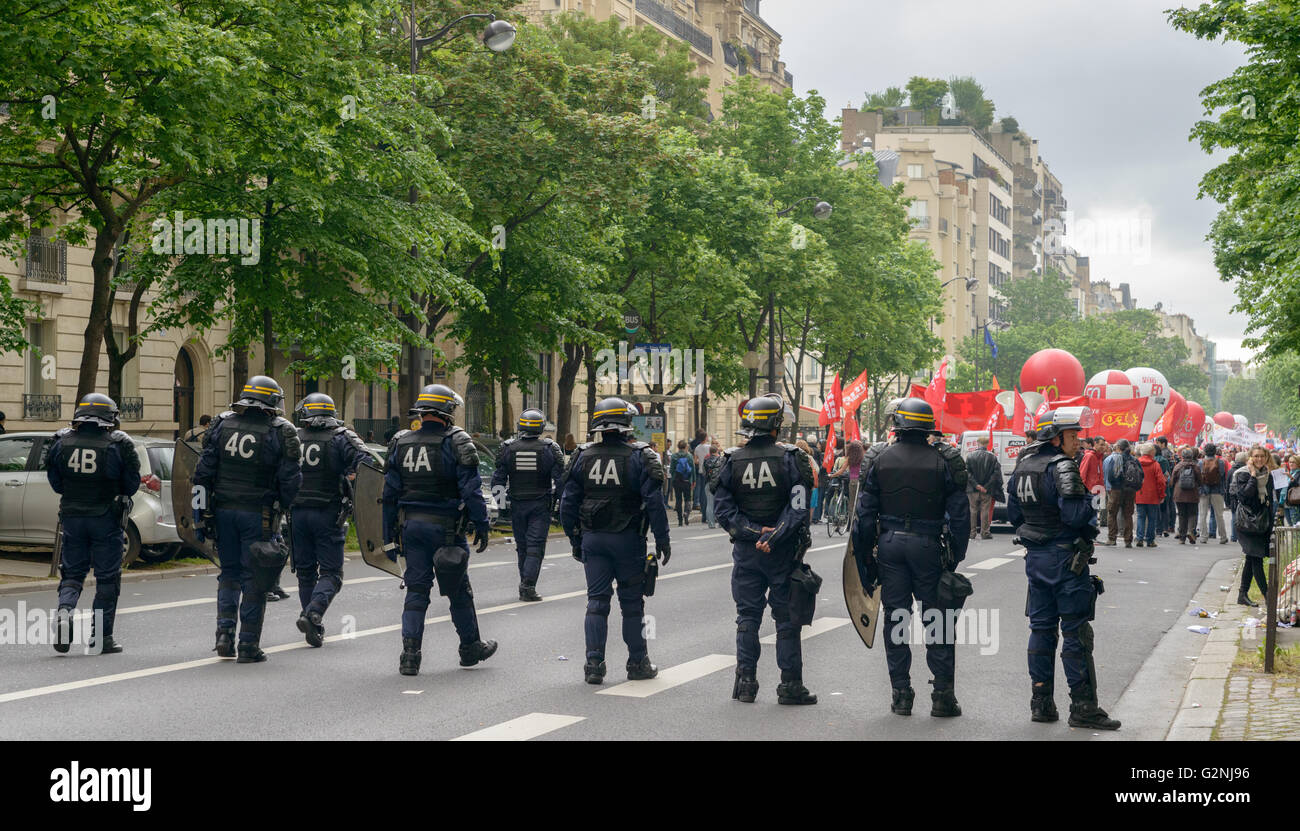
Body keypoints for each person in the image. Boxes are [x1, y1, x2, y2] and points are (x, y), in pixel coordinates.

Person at [852, 398, 970, 718]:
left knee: (896, 620)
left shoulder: (878, 458)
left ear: (898, 425)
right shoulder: (945, 460)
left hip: (890, 546)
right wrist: (955, 557)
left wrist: (865, 558)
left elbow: (863, 516)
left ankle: (901, 694)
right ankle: (943, 696)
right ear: (927, 427)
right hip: (929, 546)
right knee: (938, 620)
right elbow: (960, 517)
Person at [1007, 408, 1119, 730]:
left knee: (1041, 630)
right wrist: (1088, 513)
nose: (1078, 441)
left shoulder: (1023, 465)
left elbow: (1015, 515)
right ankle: (1083, 707)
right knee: (1075, 632)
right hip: (1065, 558)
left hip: (1036, 558)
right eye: (1073, 435)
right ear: (1057, 437)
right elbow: (1075, 517)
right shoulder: (1063, 466)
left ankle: (1041, 703)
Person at [382, 384, 496, 676]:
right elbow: (471, 491)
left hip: (411, 528)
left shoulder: (400, 443)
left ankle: (410, 656)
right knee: (459, 591)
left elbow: (388, 495)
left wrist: (387, 536)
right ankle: (470, 648)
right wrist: (482, 525)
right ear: (447, 412)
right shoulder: (458, 442)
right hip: (446, 531)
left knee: (416, 591)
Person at [713, 393, 817, 705]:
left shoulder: (729, 461)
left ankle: (746, 682)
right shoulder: (791, 458)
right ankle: (790, 685)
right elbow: (799, 509)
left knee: (747, 617)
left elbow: (724, 513)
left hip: (747, 552)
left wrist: (755, 533)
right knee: (786, 619)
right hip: (782, 552)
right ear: (776, 425)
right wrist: (774, 536)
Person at [560, 397, 670, 684]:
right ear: (626, 424)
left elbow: (567, 503)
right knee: (632, 604)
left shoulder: (582, 456)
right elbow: (655, 503)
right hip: (628, 539)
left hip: (593, 539)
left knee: (596, 602)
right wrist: (662, 539)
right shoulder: (641, 456)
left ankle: (593, 665)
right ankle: (638, 663)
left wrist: (574, 536)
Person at [192, 376, 302, 663]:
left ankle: (224, 636)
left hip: (223, 512)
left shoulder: (221, 425)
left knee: (228, 574)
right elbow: (290, 481)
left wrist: (200, 516)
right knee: (255, 580)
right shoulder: (282, 431)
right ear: (273, 402)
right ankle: (248, 647)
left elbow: (201, 476)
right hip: (259, 515)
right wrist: (281, 508)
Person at [46, 394, 141, 654]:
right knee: (107, 579)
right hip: (105, 518)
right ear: (109, 418)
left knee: (72, 574)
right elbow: (131, 485)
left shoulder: (61, 442)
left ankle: (65, 611)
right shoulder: (118, 445)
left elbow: (55, 482)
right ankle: (101, 638)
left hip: (72, 516)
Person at [290, 393, 367, 647]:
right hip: (327, 513)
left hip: (297, 514)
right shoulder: (340, 437)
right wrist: (350, 477)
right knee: (332, 573)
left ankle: (311, 623)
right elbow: (366, 461)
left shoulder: (293, 437)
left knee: (305, 572)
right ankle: (313, 613)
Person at [492, 408, 565, 602]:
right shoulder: (549, 449)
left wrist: (502, 507)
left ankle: (525, 583)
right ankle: (528, 586)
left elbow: (497, 481)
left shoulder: (508, 447)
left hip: (517, 504)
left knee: (523, 546)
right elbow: (561, 482)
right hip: (540, 505)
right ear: (541, 427)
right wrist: (559, 507)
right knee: (535, 546)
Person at [1230, 445, 1275, 607]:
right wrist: (1253, 475)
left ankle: (1242, 594)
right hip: (1247, 522)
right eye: (1256, 456)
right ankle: (1268, 596)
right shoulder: (1242, 473)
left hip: (1262, 523)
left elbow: (1270, 502)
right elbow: (1245, 496)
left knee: (1251, 558)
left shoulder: (1269, 475)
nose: (1259, 459)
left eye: (1262, 456)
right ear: (1250, 457)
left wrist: (1271, 528)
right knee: (1256, 559)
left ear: (1266, 457)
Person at [1103, 439, 1142, 547]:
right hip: (1130, 490)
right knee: (1128, 515)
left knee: (1112, 513)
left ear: (1119, 447)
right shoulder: (1134, 459)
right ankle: (1128, 540)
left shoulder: (1114, 458)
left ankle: (1112, 538)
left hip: (1116, 490)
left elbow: (1111, 476)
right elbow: (1141, 475)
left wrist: (1114, 485)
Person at [965, 435, 1002, 541]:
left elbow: (968, 472)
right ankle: (985, 532)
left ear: (978, 443)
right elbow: (995, 474)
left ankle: (972, 533)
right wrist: (985, 486)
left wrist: (976, 485)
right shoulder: (992, 457)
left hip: (973, 489)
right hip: (987, 490)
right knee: (985, 510)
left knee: (973, 510)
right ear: (987, 443)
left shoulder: (970, 456)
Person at [1197, 443, 1230, 545]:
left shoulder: (1201, 463)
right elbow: (1222, 475)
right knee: (1219, 515)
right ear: (1215, 451)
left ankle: (1203, 537)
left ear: (1204, 451)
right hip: (1217, 490)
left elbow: (1199, 478)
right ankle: (1223, 537)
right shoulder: (1220, 462)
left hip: (1203, 491)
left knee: (1202, 514)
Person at [1134, 443, 1166, 547]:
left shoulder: (1136, 463)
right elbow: (1161, 481)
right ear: (1152, 452)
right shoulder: (1155, 464)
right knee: (1152, 518)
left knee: (1140, 517)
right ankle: (1150, 540)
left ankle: (1139, 538)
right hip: (1153, 495)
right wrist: (1162, 495)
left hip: (1139, 494)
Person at [1170, 448, 1201, 544]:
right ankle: (1191, 531)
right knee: (1193, 514)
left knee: (1182, 515)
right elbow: (1200, 481)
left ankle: (1182, 538)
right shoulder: (1195, 467)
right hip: (1192, 494)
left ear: (1182, 456)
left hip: (1179, 495)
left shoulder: (1178, 466)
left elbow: (1172, 481)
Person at [669, 439, 695, 526]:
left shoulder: (674, 456)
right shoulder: (689, 456)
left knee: (678, 500)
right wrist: (693, 480)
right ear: (685, 447)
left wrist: (673, 478)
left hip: (677, 481)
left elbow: (671, 469)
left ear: (678, 447)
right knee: (688, 498)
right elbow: (693, 470)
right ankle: (686, 514)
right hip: (687, 481)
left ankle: (680, 520)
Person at [1154, 437, 1175, 536]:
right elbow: (1167, 474)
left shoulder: (1153, 460)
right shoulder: (1169, 456)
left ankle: (1158, 529)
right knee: (1165, 508)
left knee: (1156, 509)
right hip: (1165, 486)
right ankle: (1166, 528)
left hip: (1154, 487)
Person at [702, 442, 724, 528]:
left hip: (709, 483)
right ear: (717, 451)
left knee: (709, 504)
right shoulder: (721, 460)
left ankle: (711, 524)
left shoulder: (706, 461)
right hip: (718, 484)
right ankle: (720, 523)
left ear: (710, 451)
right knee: (720, 503)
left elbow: (704, 473)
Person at [693, 430, 711, 511]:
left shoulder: (697, 448)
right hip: (708, 471)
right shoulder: (709, 447)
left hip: (700, 471)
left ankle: (701, 507)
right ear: (705, 438)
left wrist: (700, 461)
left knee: (701, 490)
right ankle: (706, 508)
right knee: (707, 490)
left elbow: (695, 461)